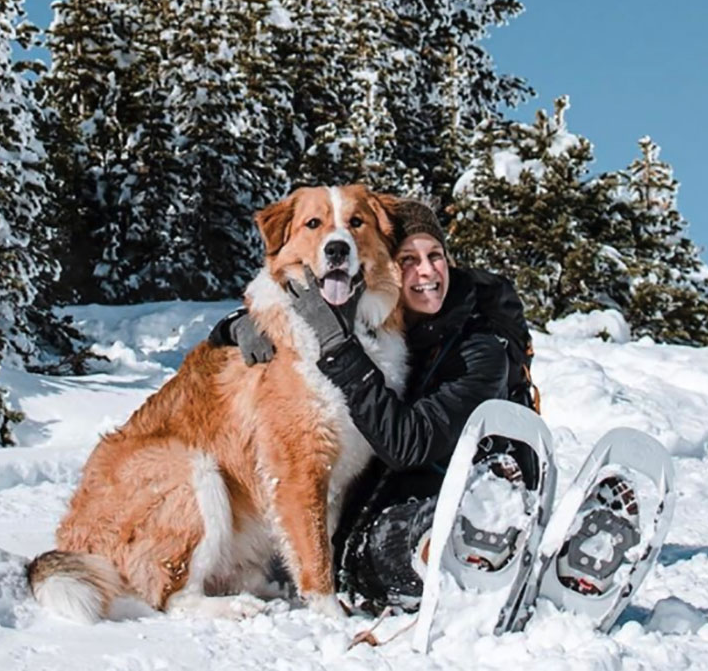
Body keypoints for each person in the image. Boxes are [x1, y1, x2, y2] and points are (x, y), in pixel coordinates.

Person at [210, 199, 538, 613]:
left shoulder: (480, 347)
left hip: (456, 477)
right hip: (392, 493)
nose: (424, 272)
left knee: (395, 542)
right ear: (386, 265)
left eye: (435, 256)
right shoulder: (391, 327)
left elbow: (407, 444)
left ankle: (485, 536)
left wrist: (339, 352)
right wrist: (239, 323)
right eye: (408, 260)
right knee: (372, 547)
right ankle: (460, 551)